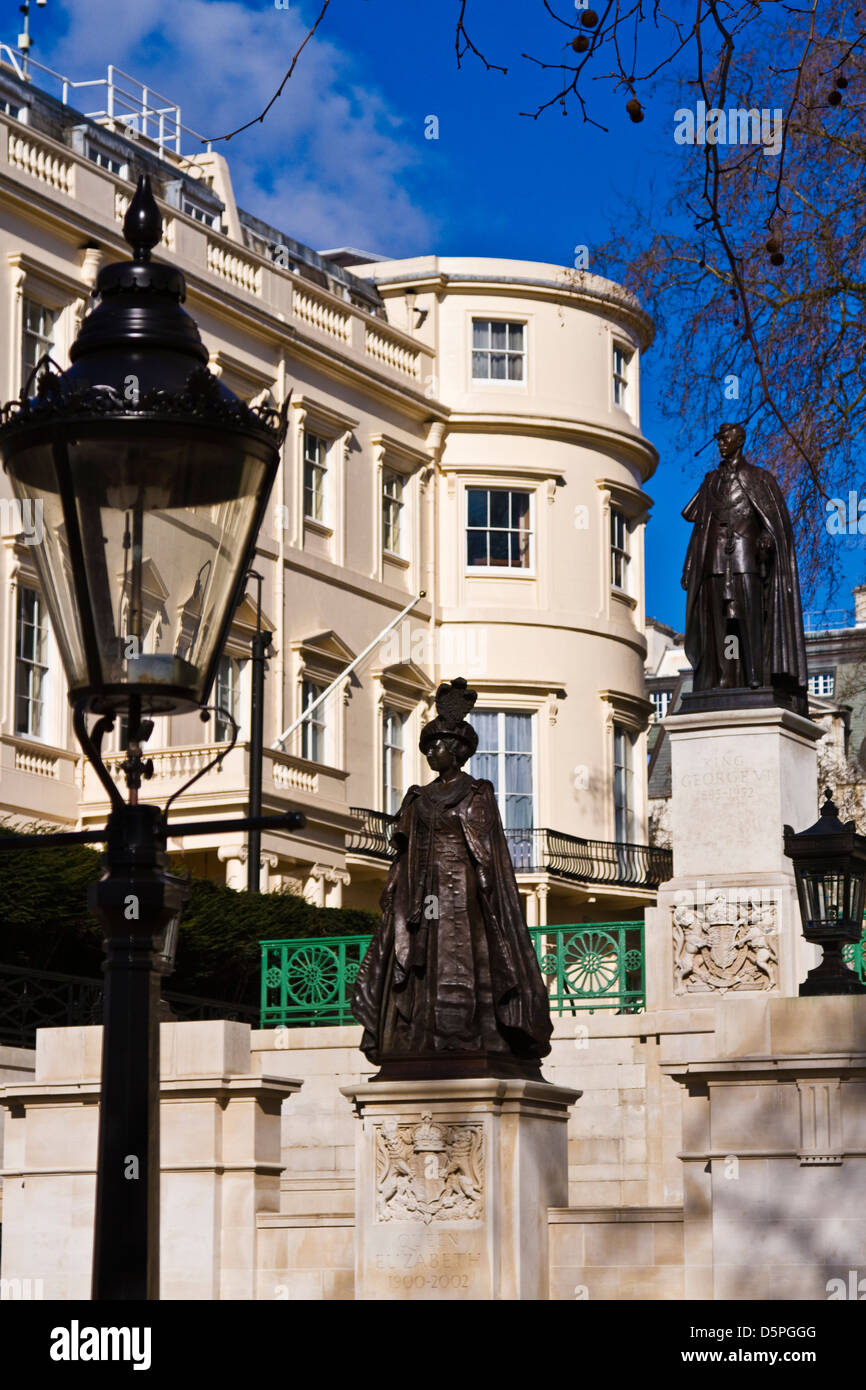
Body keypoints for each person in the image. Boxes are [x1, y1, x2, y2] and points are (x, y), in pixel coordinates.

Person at [351, 677, 552, 1078]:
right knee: (426, 954)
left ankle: (474, 1034)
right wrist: (398, 896)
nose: (430, 752)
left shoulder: (477, 793)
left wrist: (485, 895)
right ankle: (422, 1034)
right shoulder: (418, 798)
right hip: (427, 895)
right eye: (427, 746)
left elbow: (486, 853)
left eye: (438, 745)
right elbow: (404, 855)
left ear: (457, 751)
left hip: (467, 894)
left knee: (467, 957)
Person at [681, 422, 807, 708]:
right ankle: (726, 676)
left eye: (725, 439)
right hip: (713, 560)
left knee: (749, 619)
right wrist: (689, 566)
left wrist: (766, 537)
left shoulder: (759, 478)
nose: (720, 444)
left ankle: (754, 674)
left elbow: (774, 525)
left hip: (745, 558)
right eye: (719, 440)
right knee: (723, 623)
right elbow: (699, 530)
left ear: (738, 440)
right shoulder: (711, 480)